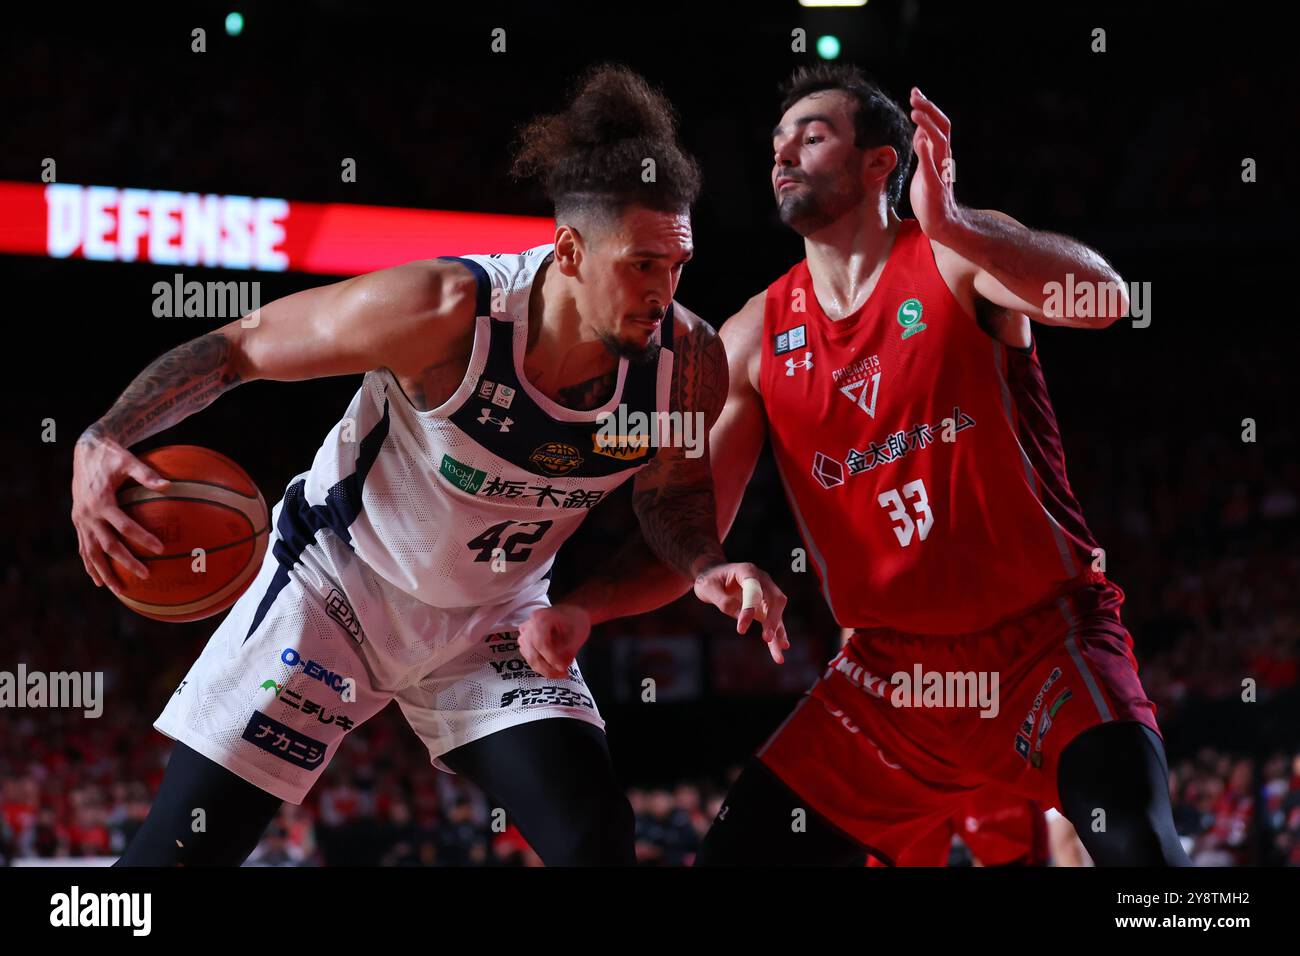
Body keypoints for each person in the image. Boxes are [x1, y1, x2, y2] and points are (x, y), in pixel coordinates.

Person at [71, 64, 785, 867]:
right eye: (642, 265)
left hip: (493, 616)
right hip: (338, 591)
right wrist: (106, 435)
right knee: (178, 859)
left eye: (678, 265)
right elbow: (242, 347)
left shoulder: (685, 362)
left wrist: (701, 565)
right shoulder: (448, 314)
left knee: (596, 838)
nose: (664, 291)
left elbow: (675, 502)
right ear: (571, 250)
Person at [546, 63, 1189, 866]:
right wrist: (590, 607)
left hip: (1042, 649)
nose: (782, 155)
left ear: (881, 162)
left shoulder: (955, 257)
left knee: (1143, 858)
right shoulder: (752, 335)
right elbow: (685, 514)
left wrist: (956, 223)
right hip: (889, 680)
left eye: (812, 137)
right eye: (777, 141)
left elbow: (1105, 300)